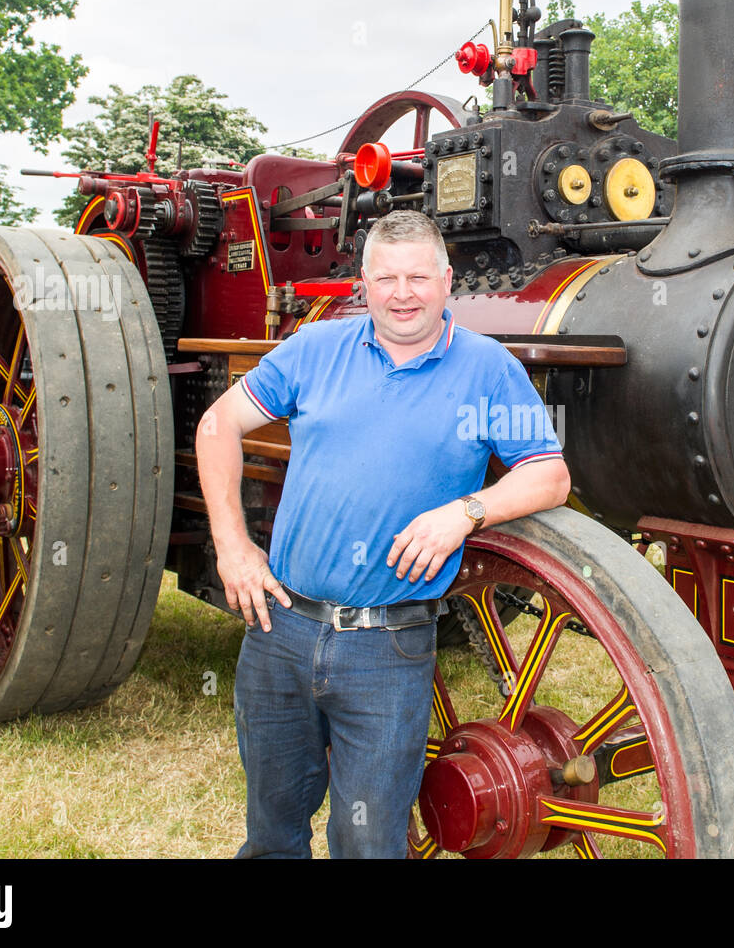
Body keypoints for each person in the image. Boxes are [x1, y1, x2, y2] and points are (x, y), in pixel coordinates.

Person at [195, 210, 570, 858]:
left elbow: (549, 475)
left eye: (418, 277)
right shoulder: (316, 349)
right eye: (387, 278)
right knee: (272, 827)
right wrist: (232, 545)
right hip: (280, 630)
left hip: (386, 650)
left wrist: (465, 513)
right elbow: (217, 426)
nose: (403, 293)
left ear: (447, 279)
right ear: (362, 283)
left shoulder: (487, 370)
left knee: (368, 841)